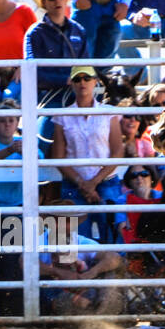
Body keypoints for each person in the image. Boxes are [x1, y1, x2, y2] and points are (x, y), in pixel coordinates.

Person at [50, 65, 124, 243]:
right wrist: (85, 184)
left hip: (101, 182)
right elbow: (57, 157)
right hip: (78, 183)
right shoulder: (62, 116)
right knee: (77, 241)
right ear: (72, 84)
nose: (82, 82)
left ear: (95, 81)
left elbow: (117, 151)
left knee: (113, 238)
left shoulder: (109, 113)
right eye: (77, 79)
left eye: (86, 78)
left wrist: (91, 183)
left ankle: (111, 269)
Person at [24, 0, 87, 107]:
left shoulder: (79, 30)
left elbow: (86, 65)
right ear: (44, 2)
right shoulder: (34, 34)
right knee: (46, 127)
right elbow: (32, 71)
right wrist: (66, 80)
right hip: (47, 99)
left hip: (79, 96)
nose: (57, 0)